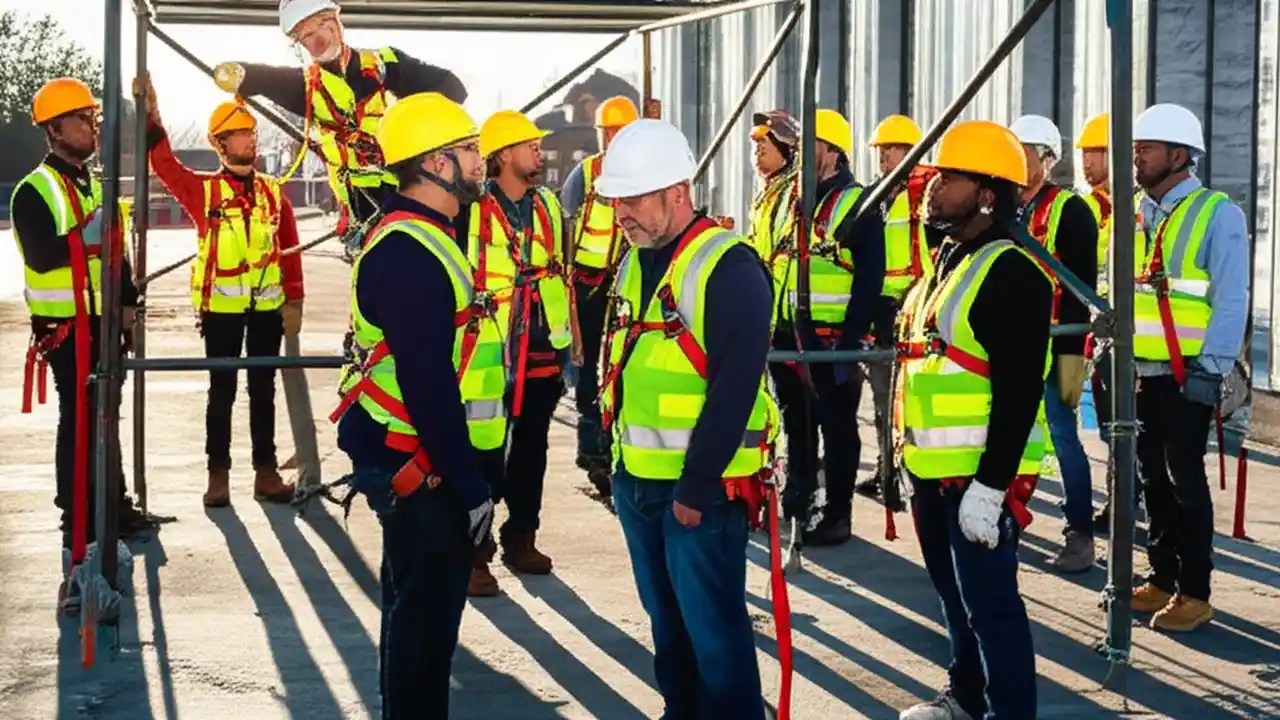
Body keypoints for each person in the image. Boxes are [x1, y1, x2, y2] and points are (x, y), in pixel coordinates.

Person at [596, 117, 778, 719]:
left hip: (699, 493)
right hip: (637, 479)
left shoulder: (728, 265)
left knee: (716, 639)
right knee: (668, 631)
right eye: (615, 198)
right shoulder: (634, 260)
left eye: (633, 198)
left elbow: (733, 387)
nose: (620, 212)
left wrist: (696, 486)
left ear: (678, 191)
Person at [331, 92, 502, 718]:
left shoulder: (428, 235)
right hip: (418, 464)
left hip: (424, 460)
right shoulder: (408, 251)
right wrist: (468, 484)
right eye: (468, 151)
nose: (480, 162)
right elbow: (428, 381)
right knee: (423, 626)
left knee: (419, 615)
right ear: (435, 163)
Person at [896, 120, 1050, 720]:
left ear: (988, 194)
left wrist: (990, 489)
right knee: (954, 600)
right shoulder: (949, 259)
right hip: (931, 471)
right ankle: (965, 695)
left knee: (992, 607)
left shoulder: (1012, 273)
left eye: (950, 176)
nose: (934, 186)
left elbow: (1018, 395)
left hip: (975, 479)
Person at [11, 77, 156, 610]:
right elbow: (45, 255)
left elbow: (114, 255)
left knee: (102, 423)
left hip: (99, 326)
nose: (92, 127)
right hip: (67, 333)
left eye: (92, 119)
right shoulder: (36, 190)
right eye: (81, 120)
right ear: (53, 130)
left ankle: (106, 514)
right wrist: (91, 234)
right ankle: (78, 534)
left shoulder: (91, 186)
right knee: (78, 426)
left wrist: (129, 300)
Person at [136, 76, 304, 507]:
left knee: (263, 390)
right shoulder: (203, 190)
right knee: (222, 391)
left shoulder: (272, 192)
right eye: (240, 135)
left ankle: (266, 474)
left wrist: (295, 298)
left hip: (267, 307)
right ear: (220, 144)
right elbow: (164, 163)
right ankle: (219, 475)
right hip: (221, 309)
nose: (250, 140)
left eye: (251, 133)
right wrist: (151, 116)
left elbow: (289, 248)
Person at [1129, 103, 1249, 632]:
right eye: (1134, 149)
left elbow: (1231, 298)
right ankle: (1161, 577)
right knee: (1150, 473)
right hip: (1141, 368)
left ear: (1179, 156)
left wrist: (1214, 367)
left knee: (1184, 478)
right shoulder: (1135, 212)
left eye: (1145, 150)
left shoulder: (1217, 213)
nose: (1136, 158)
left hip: (1187, 372)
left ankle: (1194, 592)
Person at [211, 0, 468, 231]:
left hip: (411, 189)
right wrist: (239, 75)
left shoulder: (385, 65)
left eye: (322, 24)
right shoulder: (309, 87)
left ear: (337, 20)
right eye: (306, 35)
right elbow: (266, 78)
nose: (317, 39)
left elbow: (453, 89)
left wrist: (405, 133)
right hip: (362, 207)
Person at [459, 109, 570, 594]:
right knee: (482, 457)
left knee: (532, 452)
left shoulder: (547, 204)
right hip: (488, 353)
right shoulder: (471, 209)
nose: (538, 151)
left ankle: (521, 536)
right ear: (503, 155)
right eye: (529, 145)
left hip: (542, 350)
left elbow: (558, 270)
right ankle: (474, 554)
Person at [770, 109, 886, 545]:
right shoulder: (791, 199)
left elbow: (871, 276)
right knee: (796, 425)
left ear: (832, 151)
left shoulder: (858, 203)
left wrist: (852, 341)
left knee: (837, 429)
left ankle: (838, 514)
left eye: (808, 147)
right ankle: (799, 500)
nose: (799, 155)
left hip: (831, 338)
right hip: (786, 332)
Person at [1009, 114, 1099, 574]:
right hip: (1015, 347)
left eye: (1023, 152)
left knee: (1064, 436)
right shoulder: (1003, 210)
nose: (1013, 162)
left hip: (1064, 347)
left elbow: (1082, 290)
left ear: (1046, 159)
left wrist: (1069, 349)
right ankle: (1008, 519)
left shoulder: (1071, 210)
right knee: (1009, 433)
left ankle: (1080, 534)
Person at [855, 113, 942, 502]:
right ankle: (887, 469)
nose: (883, 158)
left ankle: (912, 471)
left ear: (911, 151)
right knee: (881, 398)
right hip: (884, 309)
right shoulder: (877, 194)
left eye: (890, 150)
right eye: (881, 151)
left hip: (916, 305)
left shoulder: (927, 189)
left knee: (912, 396)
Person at [558, 95, 639, 497]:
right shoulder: (587, 174)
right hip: (589, 288)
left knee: (621, 370)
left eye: (619, 131)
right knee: (589, 371)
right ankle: (593, 453)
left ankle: (617, 451)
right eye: (607, 132)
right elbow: (565, 224)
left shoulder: (645, 174)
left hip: (626, 286)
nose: (612, 138)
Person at [745, 109, 800, 264]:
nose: (757, 150)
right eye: (755, 143)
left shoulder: (797, 189)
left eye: (763, 142)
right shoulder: (763, 197)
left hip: (784, 285)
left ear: (785, 149)